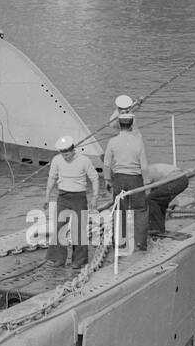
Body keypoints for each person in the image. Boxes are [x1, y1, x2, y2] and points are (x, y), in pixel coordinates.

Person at [45, 135, 99, 270]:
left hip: (79, 197)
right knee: (59, 227)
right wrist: (47, 196)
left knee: (78, 229)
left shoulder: (84, 160)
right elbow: (52, 178)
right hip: (63, 196)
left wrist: (95, 197)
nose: (65, 156)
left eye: (67, 153)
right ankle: (58, 258)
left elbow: (94, 178)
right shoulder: (56, 160)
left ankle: (79, 261)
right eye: (62, 153)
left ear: (73, 149)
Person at [102, 104, 149, 252]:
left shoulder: (112, 142)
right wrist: (146, 183)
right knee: (140, 210)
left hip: (119, 178)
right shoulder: (138, 141)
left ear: (120, 125)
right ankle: (140, 243)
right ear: (131, 125)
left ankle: (120, 242)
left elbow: (107, 163)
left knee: (119, 210)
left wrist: (107, 180)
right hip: (135, 178)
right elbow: (144, 165)